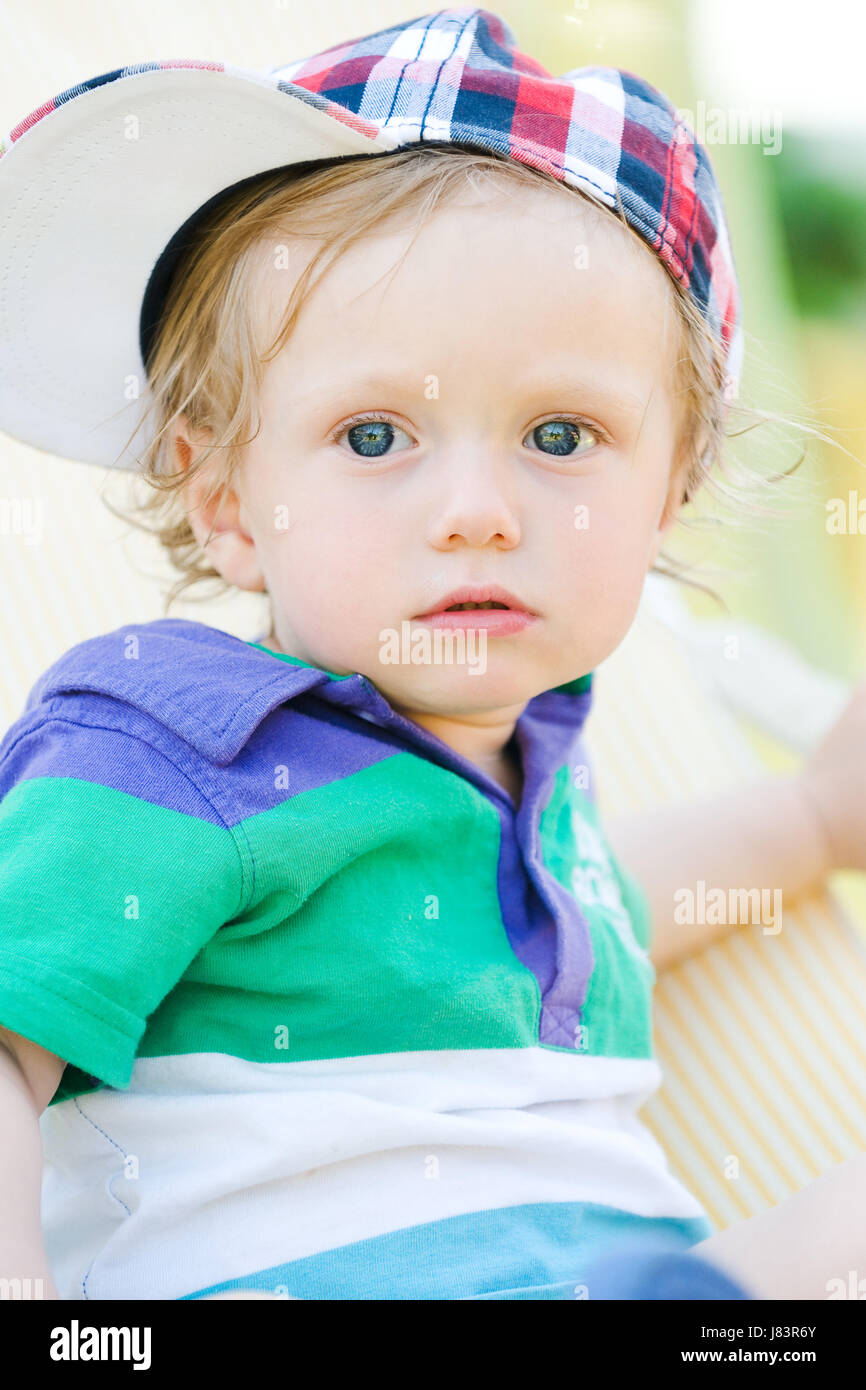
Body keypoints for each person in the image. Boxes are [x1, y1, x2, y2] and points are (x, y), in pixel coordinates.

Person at [0, 7, 863, 1302]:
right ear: (225, 498)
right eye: (372, 435)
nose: (477, 509)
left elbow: (608, 914)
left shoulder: (531, 808)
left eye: (561, 437)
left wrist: (805, 818)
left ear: (668, 491)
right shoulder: (173, 740)